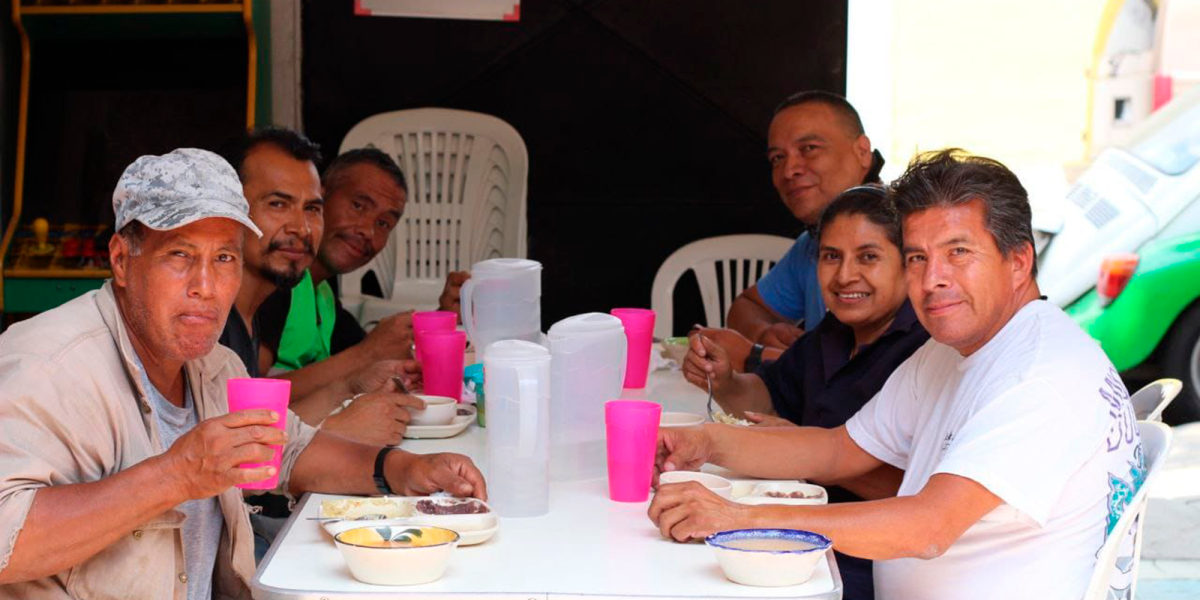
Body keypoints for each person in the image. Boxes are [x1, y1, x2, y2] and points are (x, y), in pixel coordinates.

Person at [648, 150, 1143, 600]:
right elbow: (839, 450)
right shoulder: (953, 350)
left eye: (958, 252)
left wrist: (739, 520)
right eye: (917, 258)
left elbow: (928, 528)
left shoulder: (1041, 375)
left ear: (1018, 261)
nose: (932, 280)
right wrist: (704, 443)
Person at [0, 148, 486, 599]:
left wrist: (402, 469)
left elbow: (289, 448)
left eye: (224, 258)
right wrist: (175, 476)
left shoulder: (213, 364)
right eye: (180, 255)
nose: (206, 286)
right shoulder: (47, 367)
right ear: (122, 260)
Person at [683, 185, 927, 600]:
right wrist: (725, 381)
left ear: (909, 264)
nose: (845, 275)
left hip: (868, 558)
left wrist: (802, 451)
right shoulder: (832, 332)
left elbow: (915, 494)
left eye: (868, 257)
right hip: (792, 529)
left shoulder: (923, 349)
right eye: (831, 256)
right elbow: (769, 396)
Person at [217, 129, 421, 447]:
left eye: (311, 208)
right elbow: (224, 449)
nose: (300, 227)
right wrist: (336, 427)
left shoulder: (306, 294)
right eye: (278, 204)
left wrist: (349, 386)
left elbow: (255, 421)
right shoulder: (208, 314)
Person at [255, 148, 468, 399]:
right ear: (318, 198)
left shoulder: (322, 295)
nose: (368, 231)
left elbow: (371, 352)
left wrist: (441, 321)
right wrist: (366, 354)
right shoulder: (275, 282)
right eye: (358, 206)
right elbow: (245, 395)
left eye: (383, 223)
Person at [718, 91, 884, 372]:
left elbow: (870, 372)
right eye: (777, 158)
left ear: (862, 152)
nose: (788, 170)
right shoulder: (810, 242)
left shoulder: (905, 239)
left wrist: (754, 355)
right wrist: (764, 333)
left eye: (809, 148)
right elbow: (746, 307)